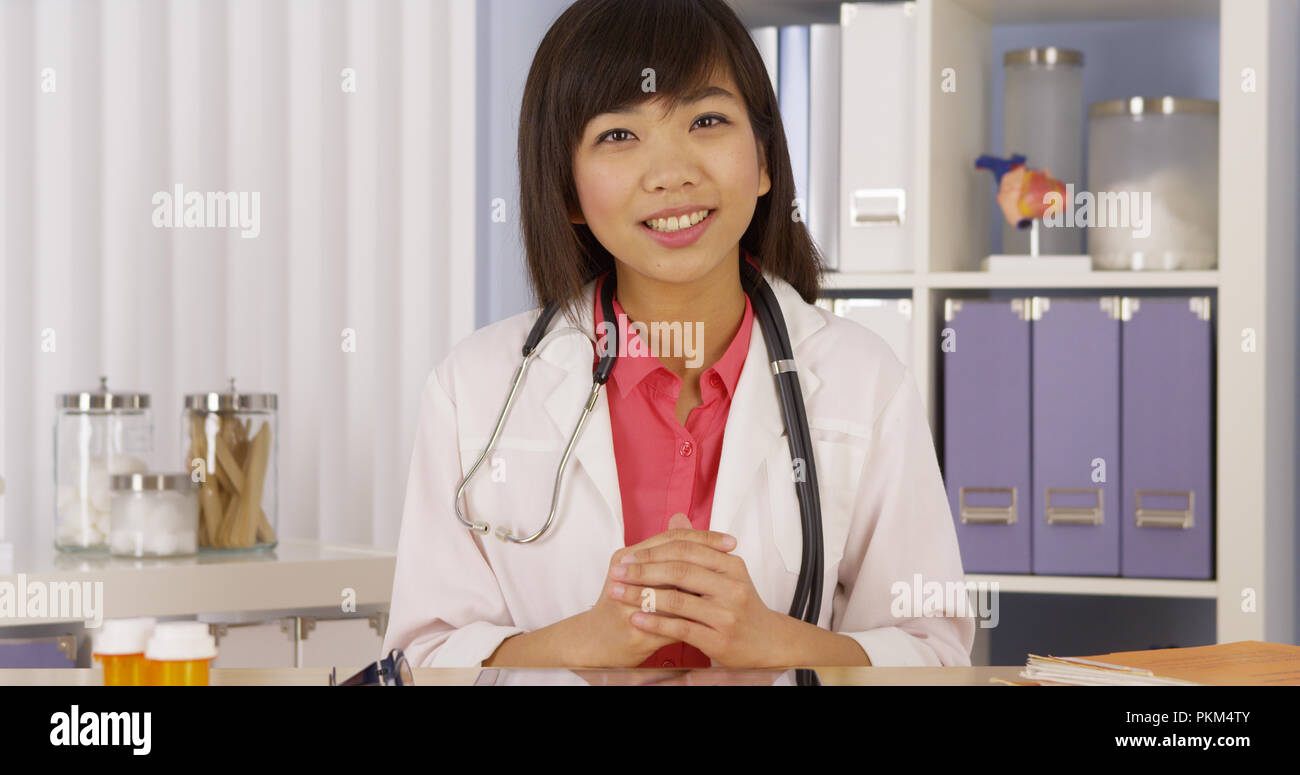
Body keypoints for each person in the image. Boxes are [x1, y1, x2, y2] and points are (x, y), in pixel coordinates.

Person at [382, 0, 973, 669]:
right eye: (618, 136)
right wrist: (588, 643)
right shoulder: (473, 390)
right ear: (569, 192)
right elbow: (419, 660)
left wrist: (774, 642)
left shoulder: (865, 383)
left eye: (707, 120)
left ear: (765, 159)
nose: (671, 171)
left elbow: (938, 657)